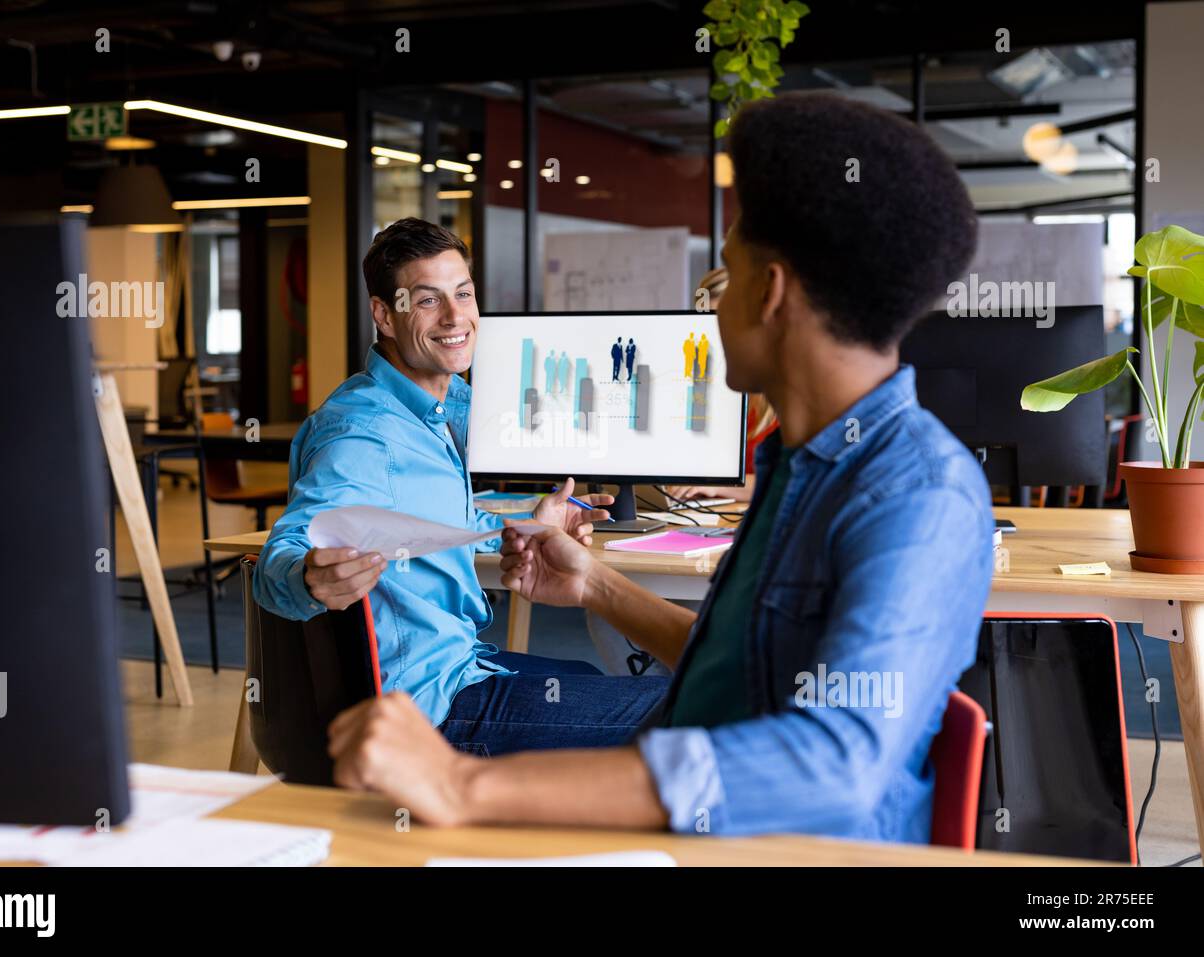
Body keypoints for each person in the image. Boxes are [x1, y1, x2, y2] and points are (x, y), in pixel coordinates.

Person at [324, 93, 992, 841]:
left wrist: (463, 781)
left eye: (727, 279)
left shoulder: (917, 493)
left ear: (770, 294)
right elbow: (751, 667)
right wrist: (596, 584)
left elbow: (833, 762)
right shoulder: (798, 465)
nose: (708, 312)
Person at [255, 217, 670, 756]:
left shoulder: (433, 411)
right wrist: (308, 579)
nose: (456, 317)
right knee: (676, 704)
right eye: (428, 301)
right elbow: (283, 553)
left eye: (464, 294)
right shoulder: (363, 435)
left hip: (463, 665)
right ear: (385, 314)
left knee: (588, 675)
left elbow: (434, 521)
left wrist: (525, 524)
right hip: (429, 714)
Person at [668, 267, 777, 505]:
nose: (715, 334)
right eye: (703, 320)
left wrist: (717, 484)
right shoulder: (699, 387)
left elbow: (786, 483)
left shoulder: (783, 395)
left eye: (721, 322)